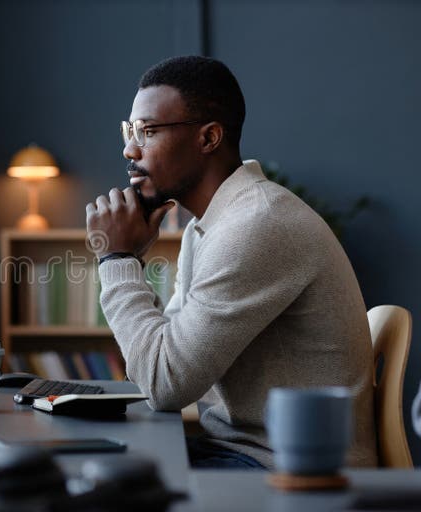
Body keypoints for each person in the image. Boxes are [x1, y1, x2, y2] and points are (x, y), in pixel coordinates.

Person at [85, 55, 377, 469]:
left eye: (148, 131)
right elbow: (155, 366)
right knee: (96, 462)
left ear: (209, 138)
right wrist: (127, 255)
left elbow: (163, 384)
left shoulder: (258, 225)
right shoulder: (208, 227)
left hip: (288, 469)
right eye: (130, 130)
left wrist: (116, 258)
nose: (129, 148)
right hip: (238, 453)